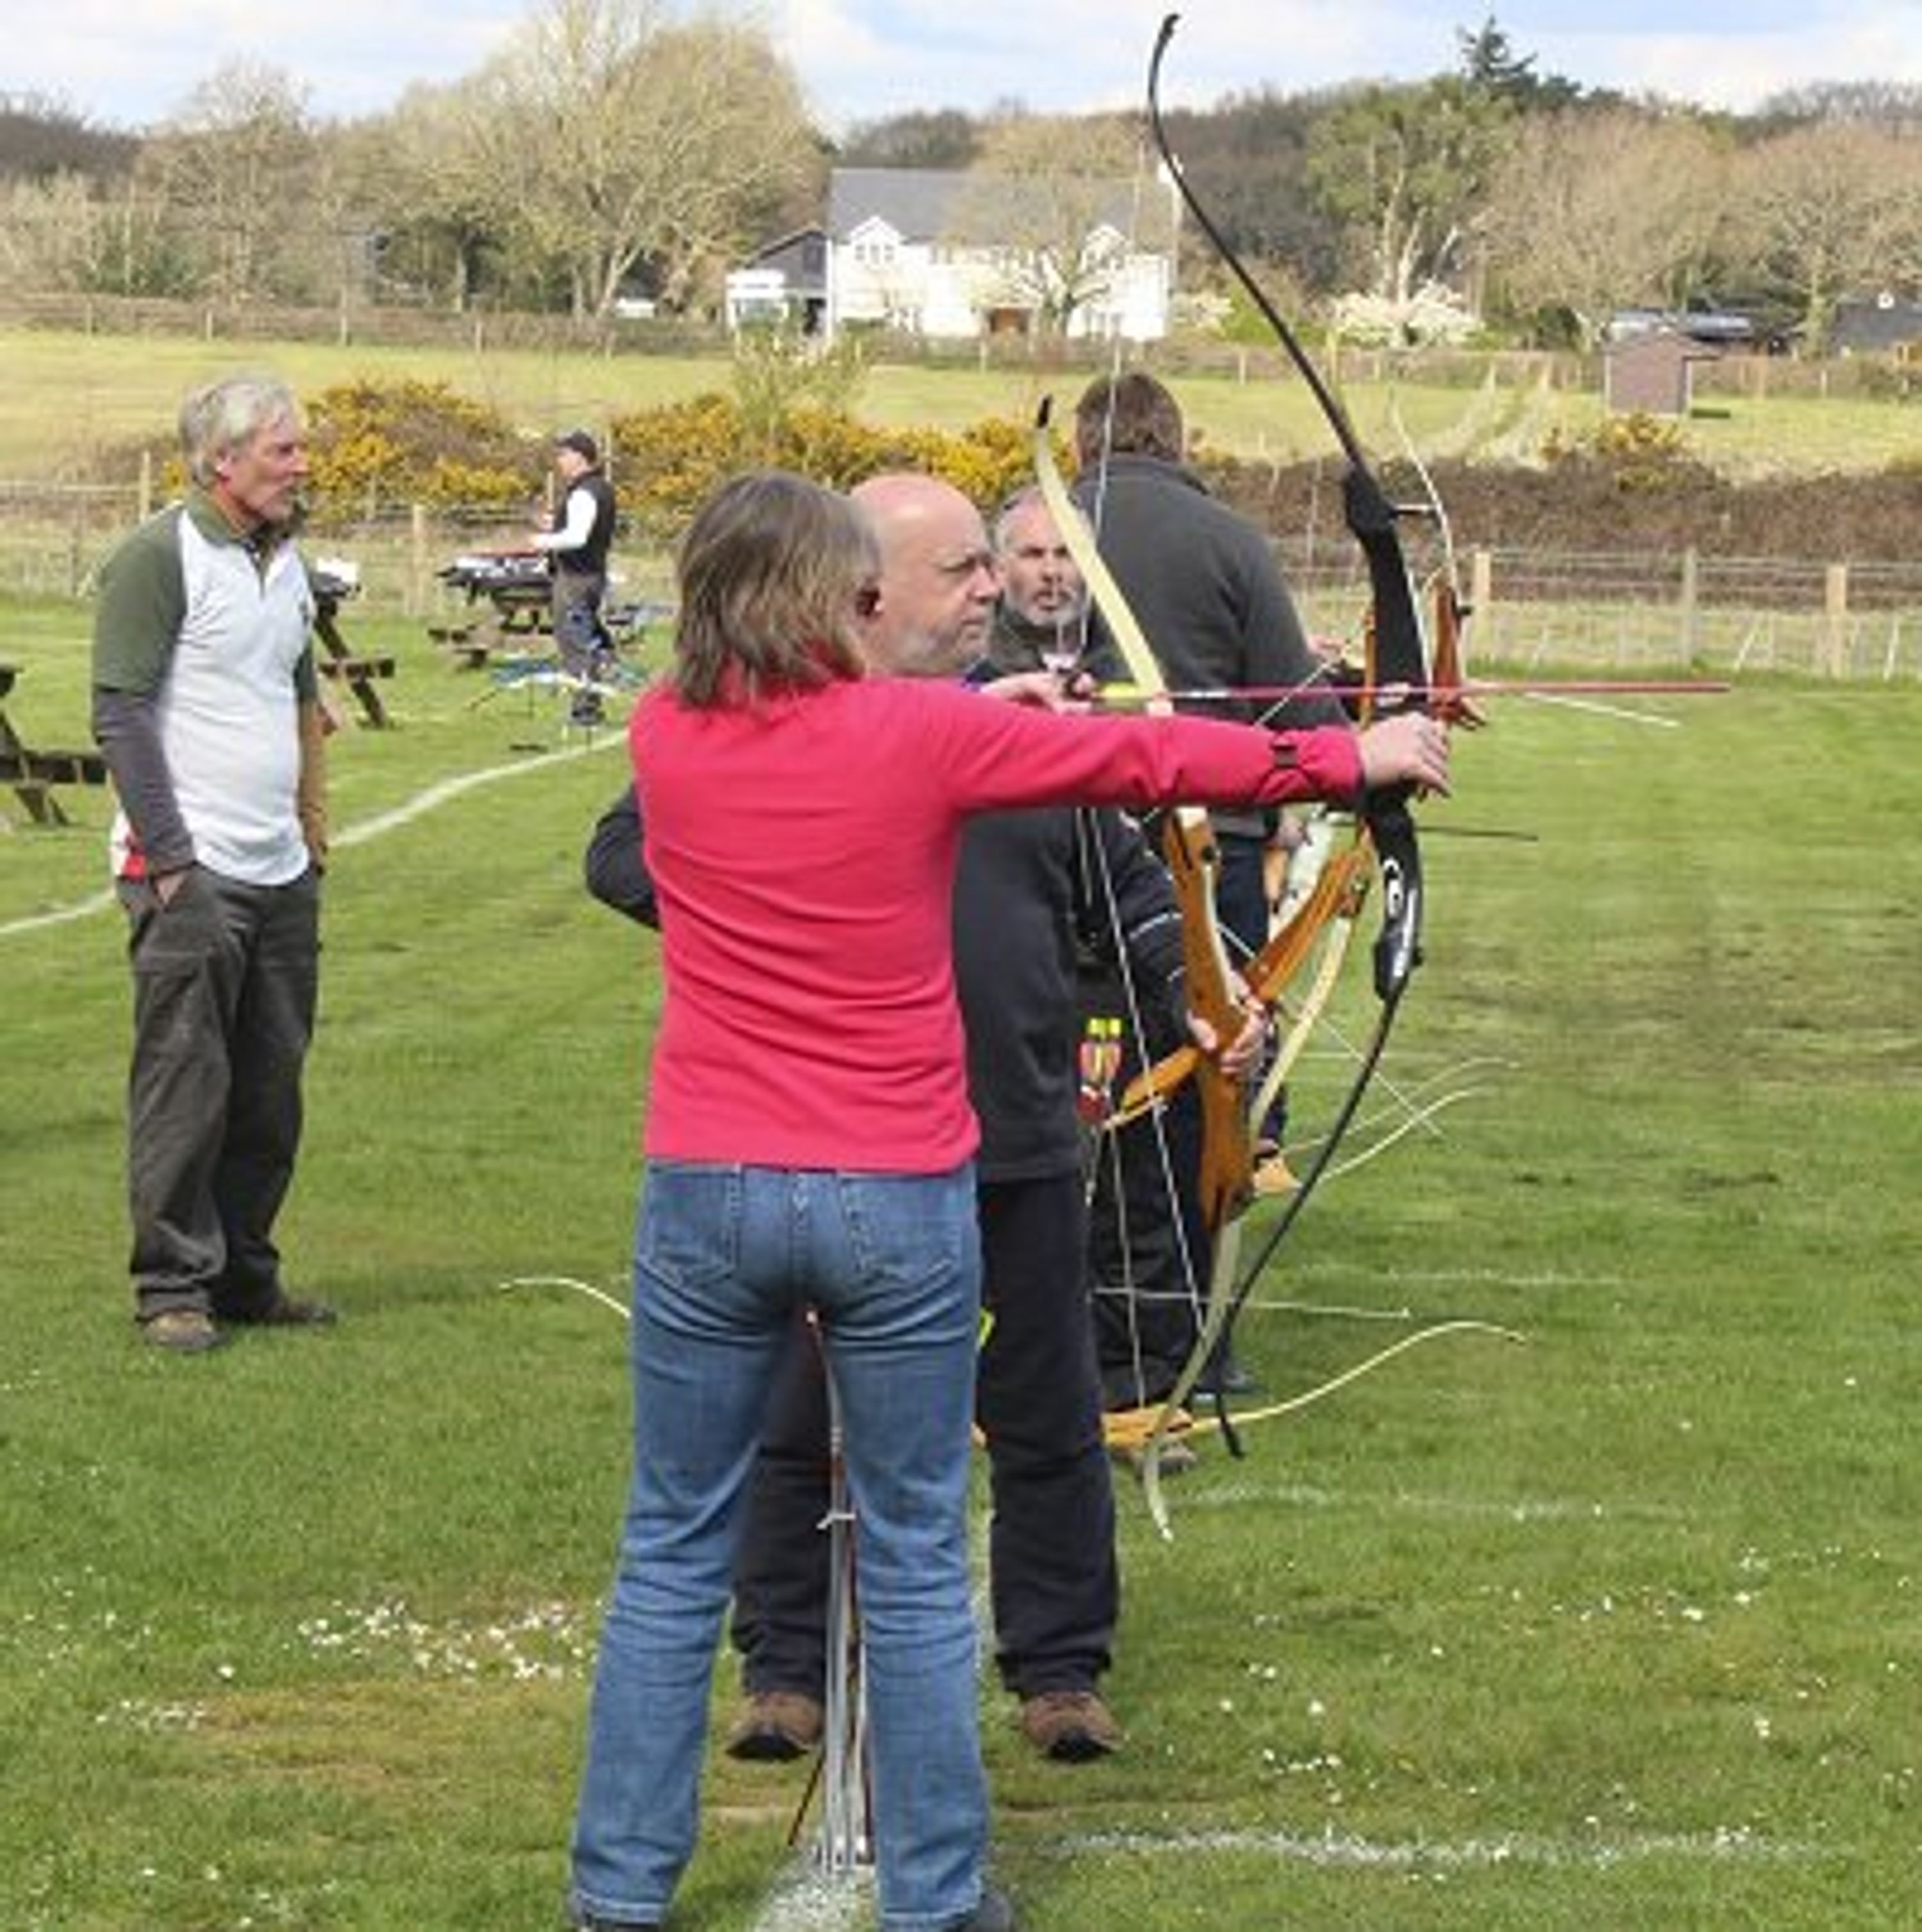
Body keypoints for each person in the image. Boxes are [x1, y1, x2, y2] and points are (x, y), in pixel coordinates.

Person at [565, 466, 1447, 1932]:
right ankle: (936, 1894)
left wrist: (996, 725)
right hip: (893, 1189)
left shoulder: (667, 731)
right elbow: (1160, 764)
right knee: (915, 1552)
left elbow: (871, 736)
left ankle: (616, 1890)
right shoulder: (922, 730)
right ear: (835, 602)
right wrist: (1352, 754)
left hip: (710, 1187)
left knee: (669, 1545)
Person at [90, 373, 336, 1354]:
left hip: (280, 873)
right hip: (191, 871)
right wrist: (175, 859)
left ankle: (244, 1274)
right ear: (223, 460)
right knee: (185, 1086)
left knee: (270, 1091)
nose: (302, 464)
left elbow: (300, 699)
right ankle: (171, 1287)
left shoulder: (290, 563)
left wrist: (312, 838)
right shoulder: (160, 556)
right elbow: (117, 711)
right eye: (284, 449)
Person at [532, 428, 618, 725]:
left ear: (580, 457)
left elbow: (578, 537)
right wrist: (553, 524)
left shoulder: (584, 492)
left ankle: (585, 710)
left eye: (564, 454)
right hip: (592, 575)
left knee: (574, 644)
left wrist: (540, 541)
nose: (559, 460)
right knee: (586, 640)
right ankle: (593, 696)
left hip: (575, 578)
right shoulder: (601, 488)